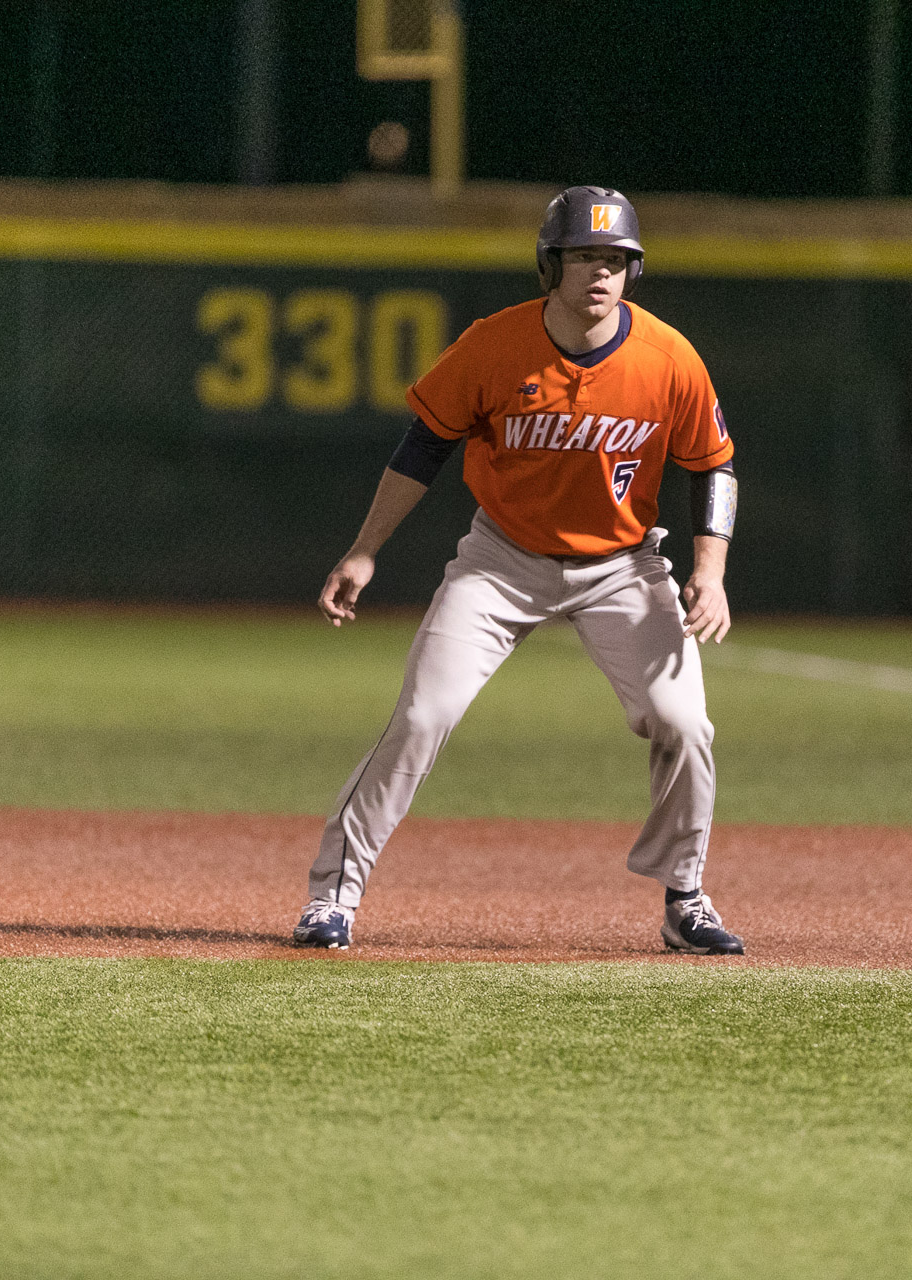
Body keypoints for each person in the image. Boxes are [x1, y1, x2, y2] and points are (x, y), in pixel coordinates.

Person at [291, 185, 745, 956]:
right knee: (423, 715)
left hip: (623, 567)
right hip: (501, 561)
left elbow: (716, 466)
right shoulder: (493, 345)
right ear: (550, 264)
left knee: (684, 723)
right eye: (583, 257)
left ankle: (686, 897)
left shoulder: (669, 357)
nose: (599, 273)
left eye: (615, 259)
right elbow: (424, 447)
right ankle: (333, 897)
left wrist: (711, 569)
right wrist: (365, 548)